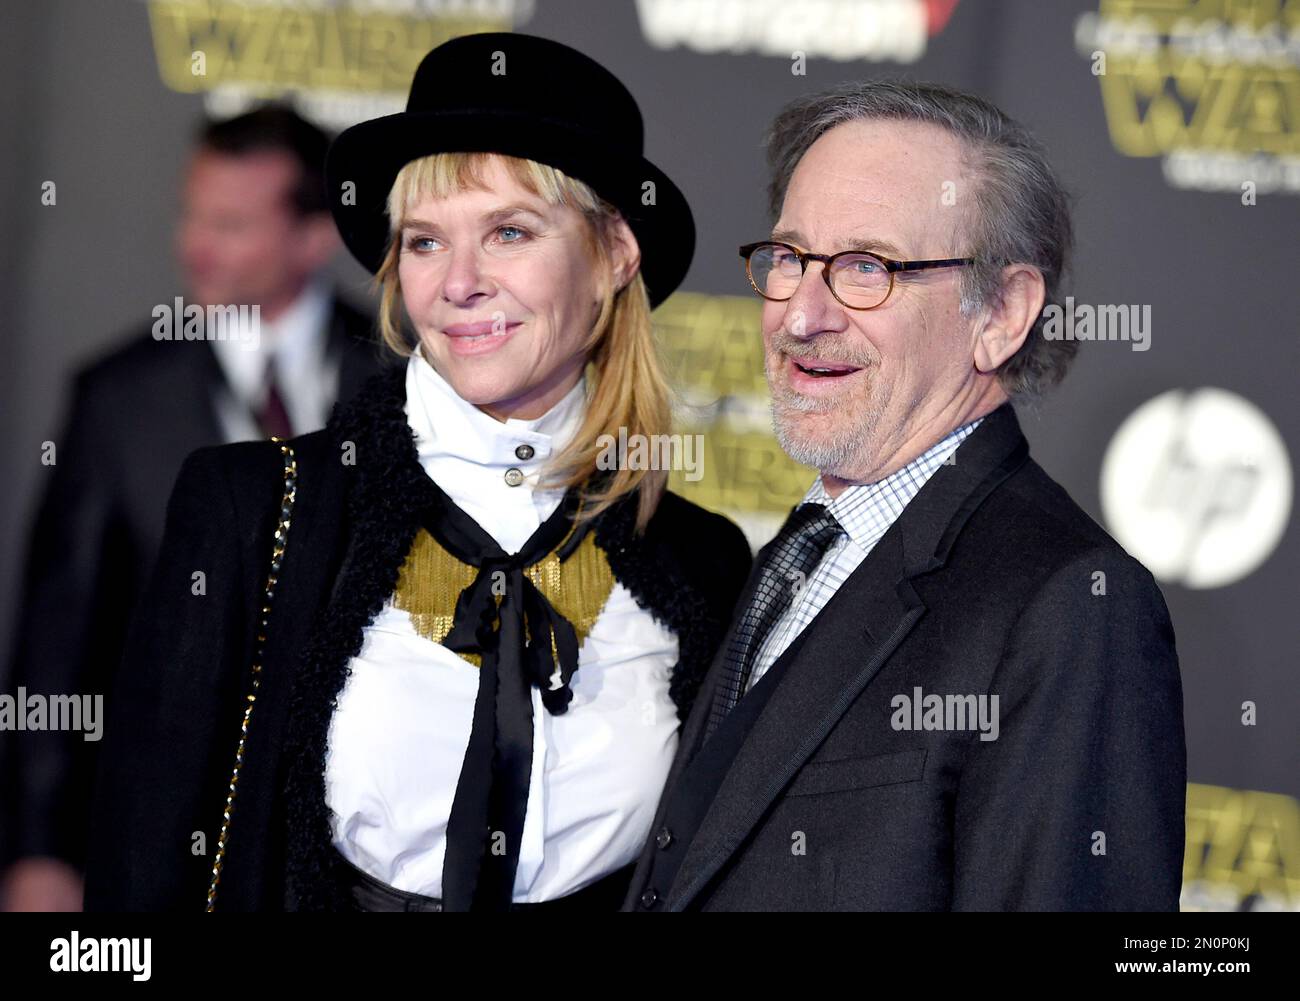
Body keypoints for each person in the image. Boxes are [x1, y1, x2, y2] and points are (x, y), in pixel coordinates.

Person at [83, 32, 751, 912]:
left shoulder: (699, 560)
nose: (459, 283)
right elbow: (145, 864)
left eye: (509, 232)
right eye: (427, 241)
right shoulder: (259, 510)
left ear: (615, 252)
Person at [625, 80, 1186, 911]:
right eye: (789, 258)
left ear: (1001, 311)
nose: (801, 316)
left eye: (866, 268)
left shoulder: (1073, 606)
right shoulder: (806, 544)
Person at [0, 104, 386, 912]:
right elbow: (57, 643)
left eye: (232, 222)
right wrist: (38, 848)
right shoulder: (117, 399)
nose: (196, 244)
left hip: (354, 847)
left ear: (313, 238)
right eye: (191, 214)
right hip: (153, 839)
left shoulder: (401, 377)